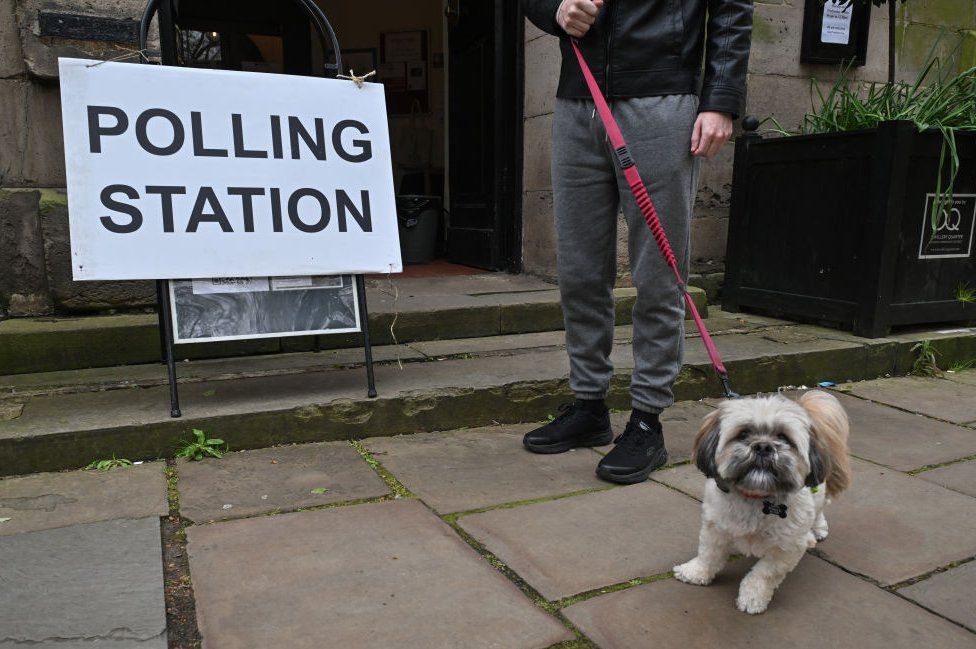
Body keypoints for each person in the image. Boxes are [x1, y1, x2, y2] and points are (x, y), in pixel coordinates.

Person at [522, 0, 753, 484]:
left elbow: (732, 8)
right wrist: (555, 10)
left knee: (658, 276)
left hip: (662, 100)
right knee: (579, 272)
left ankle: (647, 419)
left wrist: (721, 99)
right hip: (576, 99)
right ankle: (590, 405)